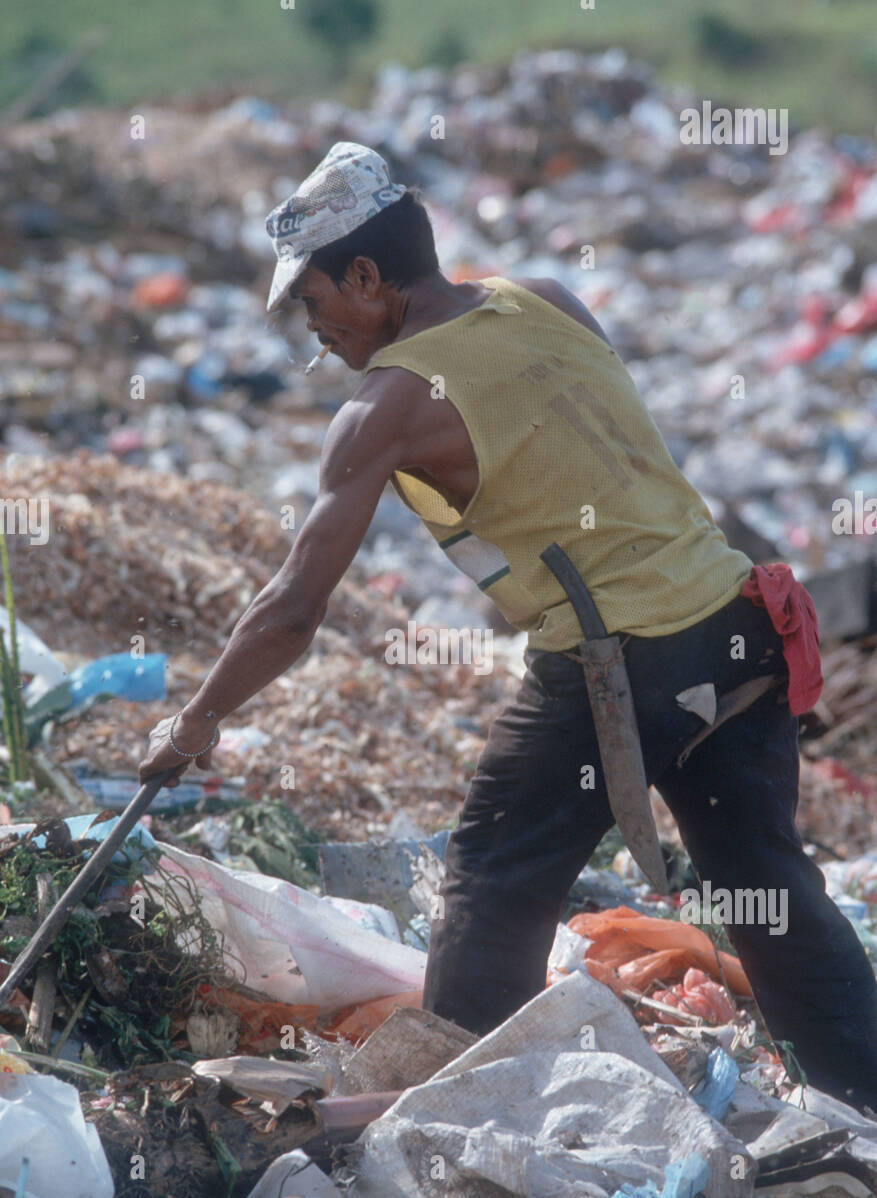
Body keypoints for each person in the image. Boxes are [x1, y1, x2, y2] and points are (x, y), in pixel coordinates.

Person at [139, 142, 877, 1112]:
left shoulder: (388, 402)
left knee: (492, 873)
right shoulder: (544, 297)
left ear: (366, 276)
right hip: (738, 622)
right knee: (763, 881)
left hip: (620, 656)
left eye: (315, 304)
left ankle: (447, 1126)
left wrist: (191, 725)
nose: (316, 336)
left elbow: (292, 609)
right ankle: (859, 1096)